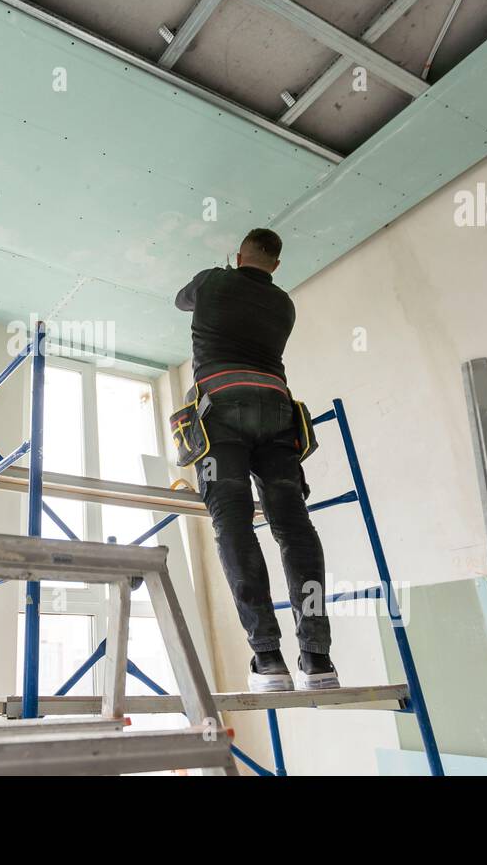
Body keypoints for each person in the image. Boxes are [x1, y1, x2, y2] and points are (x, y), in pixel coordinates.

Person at [174, 228, 337, 693]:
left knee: (234, 523)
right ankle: (318, 658)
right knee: (295, 529)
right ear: (277, 266)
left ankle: (268, 657)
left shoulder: (211, 281)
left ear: (240, 253)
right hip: (278, 411)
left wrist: (223, 272)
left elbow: (181, 300)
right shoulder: (285, 304)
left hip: (222, 407)